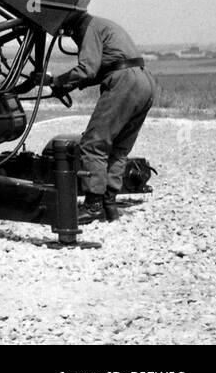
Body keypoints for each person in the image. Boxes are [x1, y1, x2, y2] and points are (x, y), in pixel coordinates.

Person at [48, 11, 156, 223]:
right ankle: (109, 205)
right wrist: (66, 84)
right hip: (145, 82)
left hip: (125, 81)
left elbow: (87, 70)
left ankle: (93, 205)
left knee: (93, 143)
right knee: (119, 147)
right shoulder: (101, 24)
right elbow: (99, 70)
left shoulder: (88, 29)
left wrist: (57, 82)